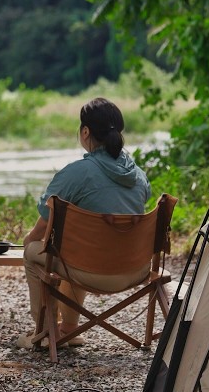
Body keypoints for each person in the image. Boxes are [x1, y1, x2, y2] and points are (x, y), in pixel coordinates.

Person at [16, 97, 152, 349]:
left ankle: (45, 332)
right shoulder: (139, 175)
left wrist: (27, 241)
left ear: (85, 131)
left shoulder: (76, 173)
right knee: (76, 251)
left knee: (35, 252)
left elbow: (43, 228)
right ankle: (69, 330)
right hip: (136, 269)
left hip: (93, 272)